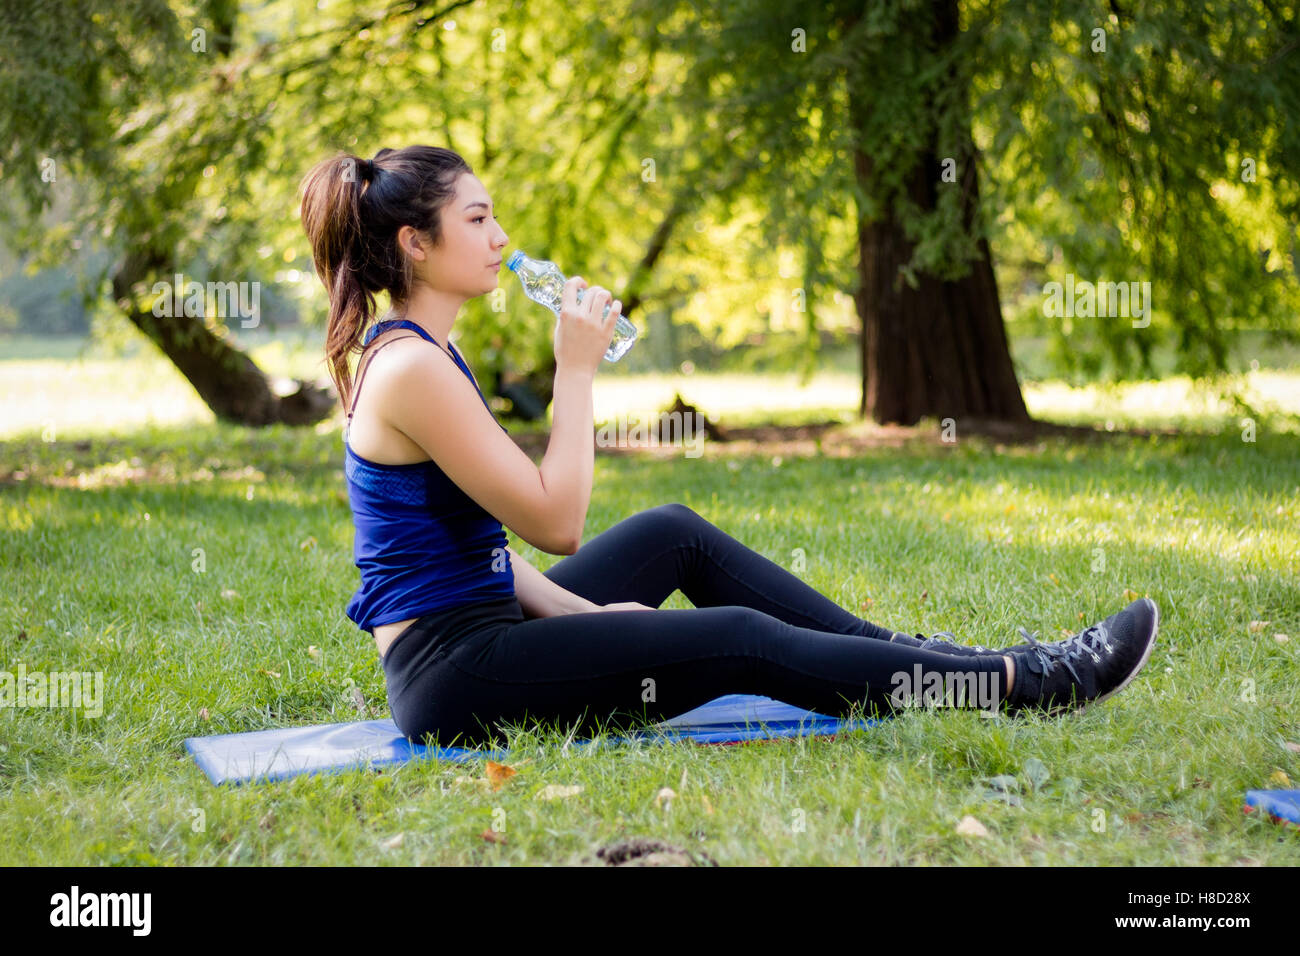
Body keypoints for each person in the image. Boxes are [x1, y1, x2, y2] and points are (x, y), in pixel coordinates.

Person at [298, 145, 1160, 749]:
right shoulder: (410, 367)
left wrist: (592, 617)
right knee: (742, 638)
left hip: (482, 622)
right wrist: (575, 370)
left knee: (674, 531)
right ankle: (1026, 685)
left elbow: (476, 552)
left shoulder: (426, 352)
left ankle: (938, 663)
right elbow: (556, 523)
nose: (499, 239)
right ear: (416, 242)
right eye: (478, 218)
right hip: (456, 674)